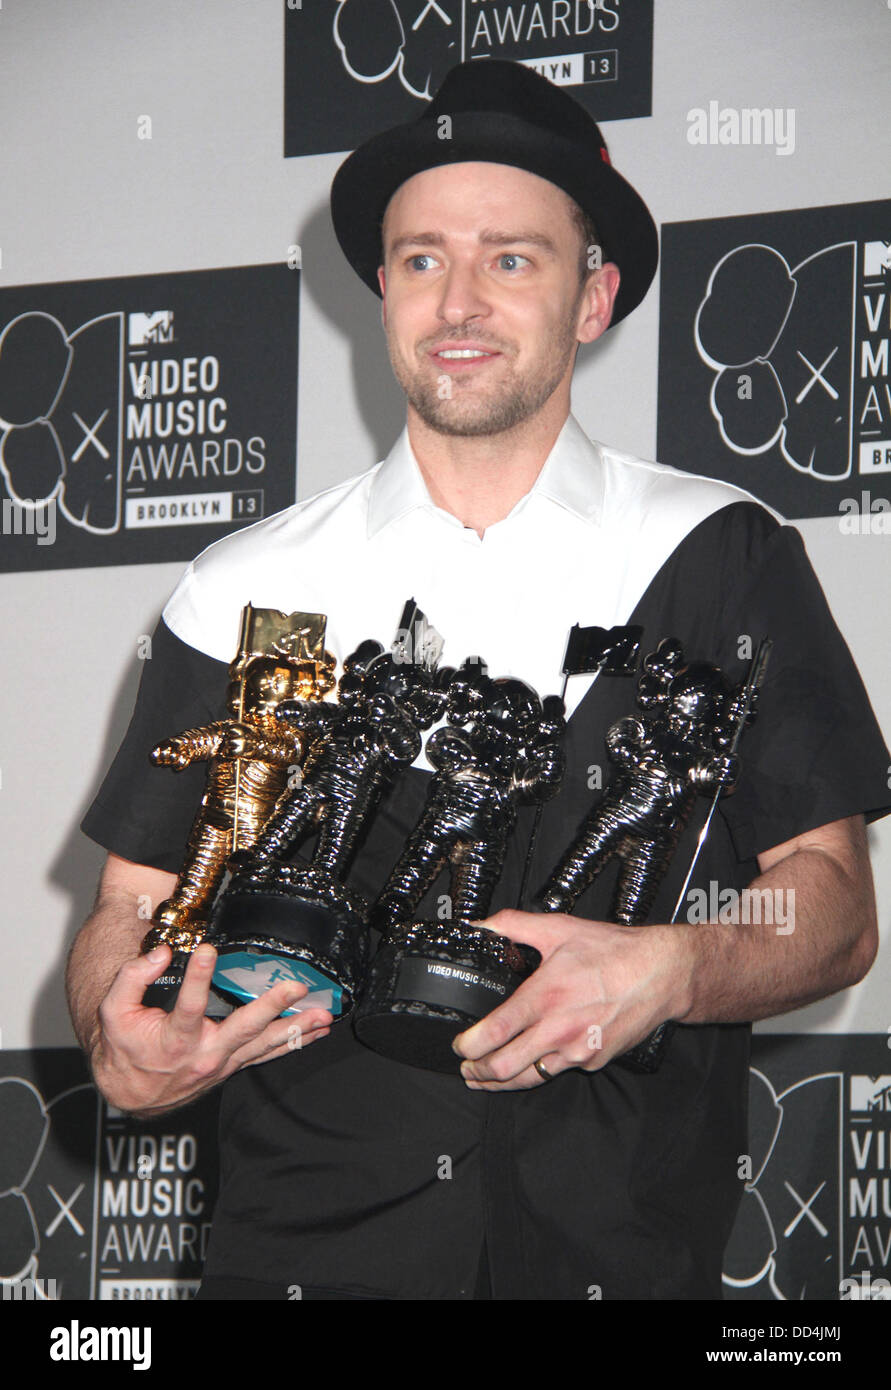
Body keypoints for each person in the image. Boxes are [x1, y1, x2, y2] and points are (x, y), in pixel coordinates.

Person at [68, 60, 890, 1300]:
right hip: (302, 1267)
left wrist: (675, 966)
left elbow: (825, 908)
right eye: (420, 258)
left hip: (619, 1265)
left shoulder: (718, 552)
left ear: (593, 296)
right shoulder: (249, 584)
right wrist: (113, 1036)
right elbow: (127, 910)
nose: (458, 300)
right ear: (382, 288)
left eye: (512, 259)